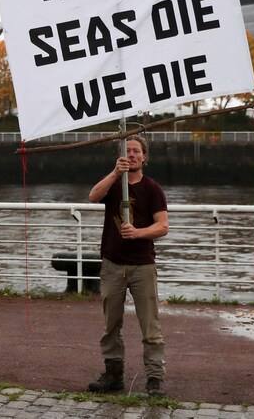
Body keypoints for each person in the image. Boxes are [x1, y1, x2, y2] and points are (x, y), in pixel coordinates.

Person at [86, 136, 169, 397]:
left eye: (136, 151)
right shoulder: (113, 185)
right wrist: (114, 173)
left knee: (150, 326)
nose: (131, 155)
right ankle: (113, 374)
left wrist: (138, 233)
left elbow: (163, 226)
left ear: (144, 157)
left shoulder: (152, 189)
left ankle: (154, 379)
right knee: (111, 324)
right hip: (112, 265)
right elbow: (93, 196)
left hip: (142, 266)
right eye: (127, 151)